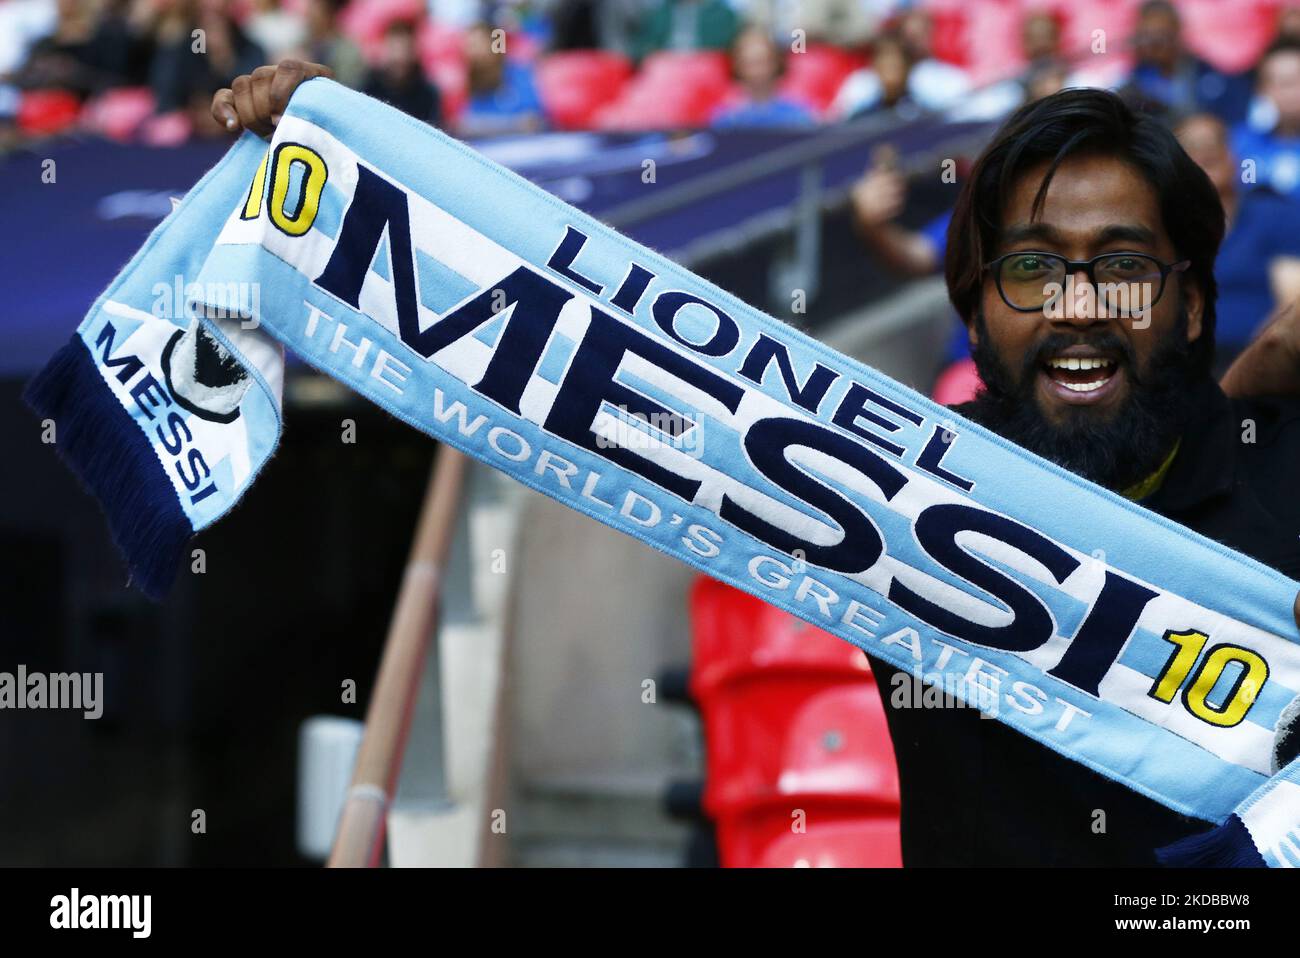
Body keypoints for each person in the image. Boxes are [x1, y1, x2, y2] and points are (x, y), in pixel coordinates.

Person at [213, 67, 1300, 866]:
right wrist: (362, 162)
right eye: (1028, 270)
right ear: (971, 315)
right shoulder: (898, 495)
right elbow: (580, 355)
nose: (1074, 306)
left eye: (1121, 268)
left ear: (1193, 302)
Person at [1177, 112, 1300, 368]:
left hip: (1262, 363)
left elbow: (1291, 303)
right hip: (1186, 364)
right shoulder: (1164, 224)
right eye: (1192, 147)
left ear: (1234, 156)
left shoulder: (1275, 212)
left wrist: (1248, 367)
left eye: (1213, 144)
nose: (1204, 154)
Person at [1119, 0, 1252, 123]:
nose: (1155, 44)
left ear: (1178, 32)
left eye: (1163, 34)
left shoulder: (1214, 80)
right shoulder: (1128, 89)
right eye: (1148, 36)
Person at [710, 24, 814, 129]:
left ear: (776, 62)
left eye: (762, 62)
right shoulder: (727, 117)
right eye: (749, 63)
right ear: (737, 66)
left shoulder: (798, 114)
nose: (757, 71)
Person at [1233, 37, 1300, 198]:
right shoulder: (1238, 143)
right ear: (1261, 89)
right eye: (1280, 82)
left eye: (1296, 80)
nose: (1289, 91)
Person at [458, 21, 545, 137]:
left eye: (477, 45)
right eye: (469, 46)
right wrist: (513, 125)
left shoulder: (518, 74)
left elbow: (532, 120)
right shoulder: (468, 82)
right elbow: (465, 125)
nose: (473, 52)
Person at [361, 18, 441, 127]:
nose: (399, 57)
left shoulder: (428, 94)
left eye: (405, 50)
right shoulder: (367, 88)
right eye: (394, 49)